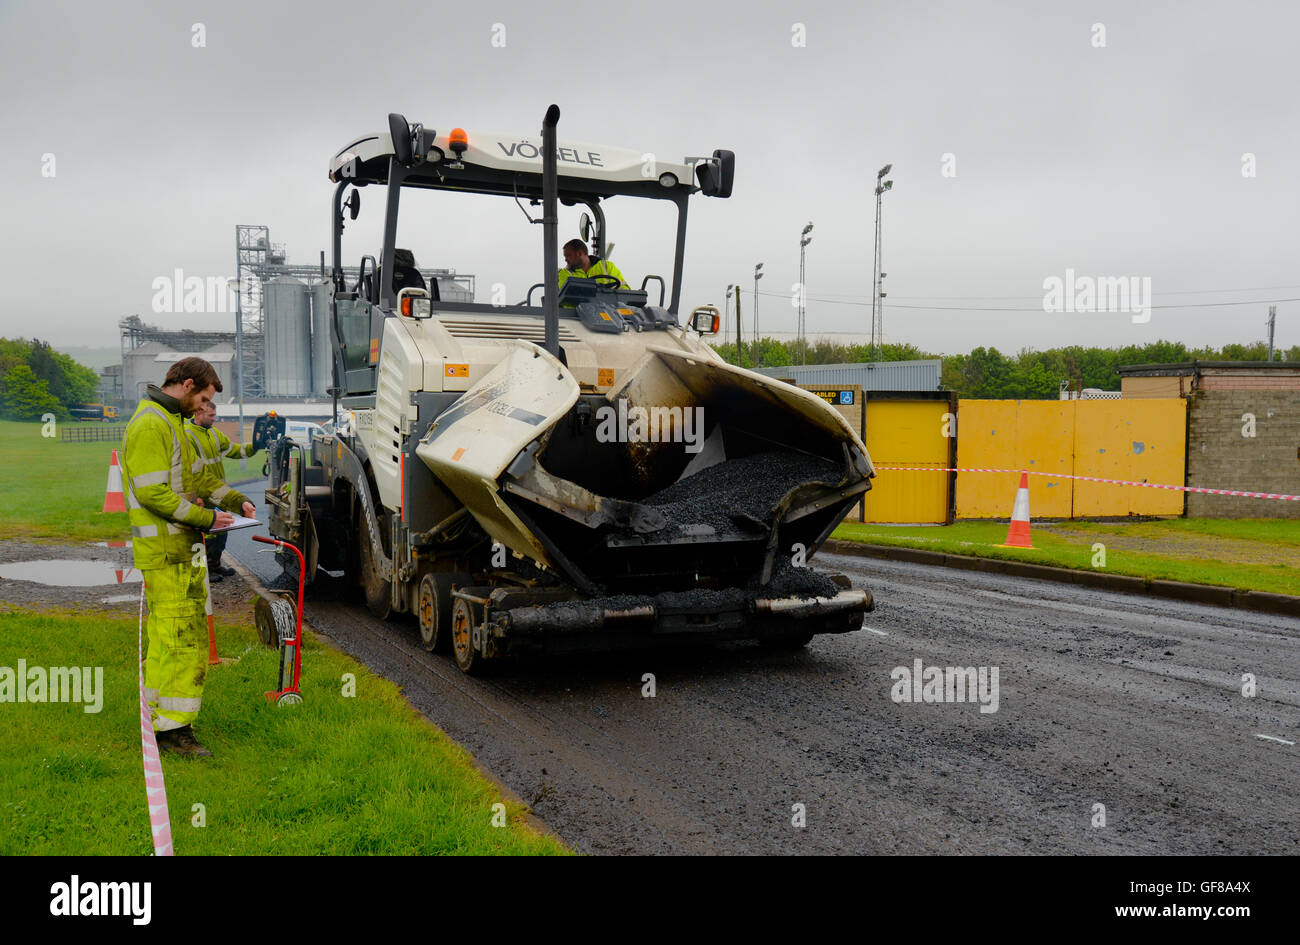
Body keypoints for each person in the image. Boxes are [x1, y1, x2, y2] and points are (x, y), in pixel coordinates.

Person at [120, 358, 256, 758]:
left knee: (171, 639)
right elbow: (152, 494)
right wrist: (207, 517)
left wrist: (236, 501)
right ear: (188, 384)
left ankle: (161, 721)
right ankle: (175, 732)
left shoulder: (172, 422)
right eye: (203, 398)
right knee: (180, 641)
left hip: (181, 549)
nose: (203, 408)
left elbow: (202, 481)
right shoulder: (151, 424)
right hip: (166, 552)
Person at [185, 400, 255, 582]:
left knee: (222, 532)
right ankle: (206, 570)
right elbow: (190, 473)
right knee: (207, 534)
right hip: (203, 495)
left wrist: (256, 445)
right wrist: (196, 497)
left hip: (220, 495)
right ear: (198, 413)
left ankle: (215, 565)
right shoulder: (188, 436)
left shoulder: (214, 434)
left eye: (215, 415)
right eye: (211, 416)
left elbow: (235, 450)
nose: (215, 419)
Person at [557, 238, 628, 291]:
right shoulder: (565, 274)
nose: (566, 259)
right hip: (577, 311)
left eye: (568, 255)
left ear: (579, 253)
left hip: (608, 310)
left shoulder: (606, 266)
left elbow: (623, 289)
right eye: (565, 256)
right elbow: (567, 300)